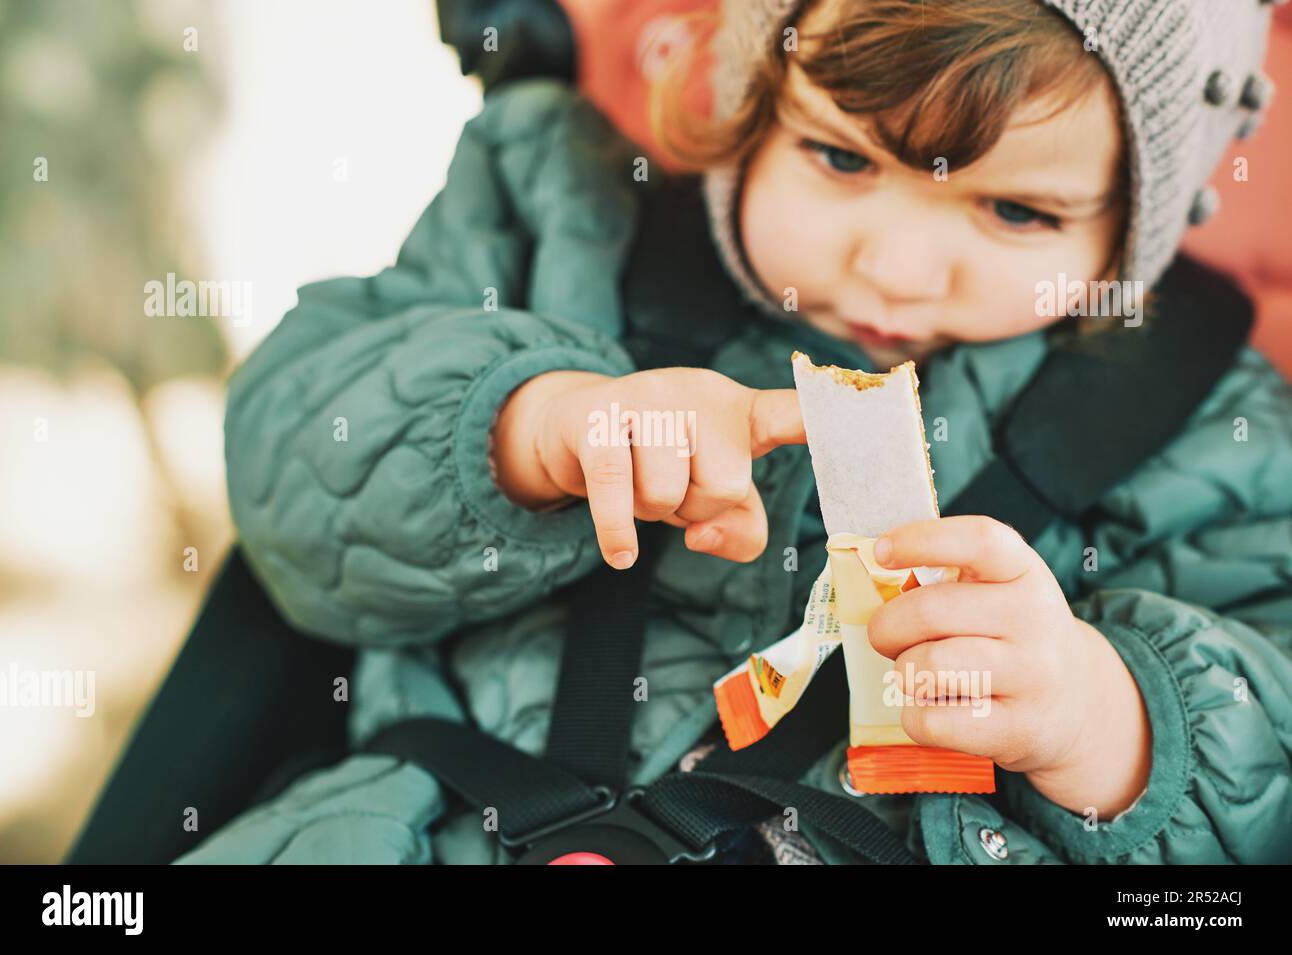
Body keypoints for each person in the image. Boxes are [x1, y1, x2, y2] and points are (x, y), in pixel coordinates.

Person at [177, 0, 1292, 864]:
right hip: (427, 824)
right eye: (841, 158)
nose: (894, 267)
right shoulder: (562, 211)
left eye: (1017, 212)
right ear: (755, 99)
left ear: (1128, 228)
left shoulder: (1204, 423)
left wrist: (1106, 724)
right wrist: (532, 431)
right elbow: (294, 464)